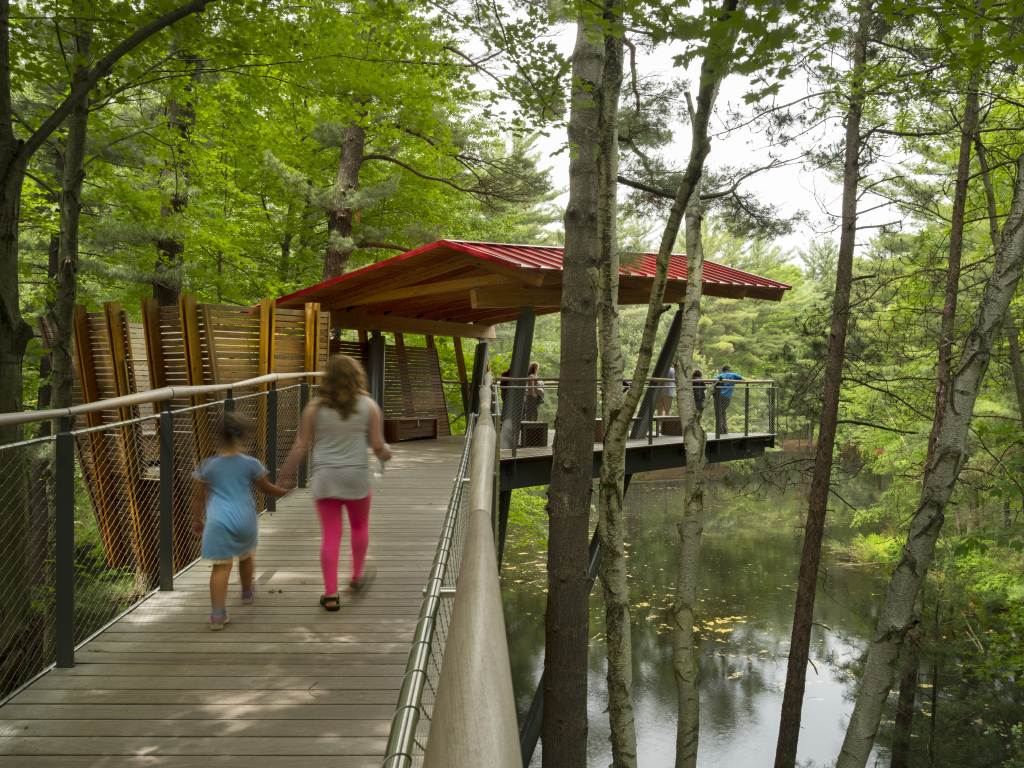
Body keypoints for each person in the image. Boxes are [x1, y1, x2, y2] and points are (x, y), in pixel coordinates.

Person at [281, 355, 393, 612]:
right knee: (360, 526)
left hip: (325, 477)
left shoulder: (314, 408)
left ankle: (331, 594)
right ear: (357, 377)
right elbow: (377, 445)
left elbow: (301, 444)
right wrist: (385, 453)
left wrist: (285, 474)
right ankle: (355, 576)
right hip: (356, 477)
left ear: (328, 378)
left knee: (331, 534)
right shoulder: (369, 406)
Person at [191, 413, 288, 631]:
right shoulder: (251, 464)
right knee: (246, 556)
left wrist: (197, 519)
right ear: (244, 437)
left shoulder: (208, 466)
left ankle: (217, 616)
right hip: (244, 520)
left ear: (217, 438)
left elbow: (197, 497)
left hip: (218, 522)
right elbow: (266, 488)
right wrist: (282, 490)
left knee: (220, 567)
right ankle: (246, 593)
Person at [712, 364, 744, 434]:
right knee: (723, 412)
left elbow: (713, 383)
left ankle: (720, 430)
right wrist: (733, 382)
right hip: (727, 397)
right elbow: (743, 379)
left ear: (722, 370)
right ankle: (724, 429)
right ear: (728, 369)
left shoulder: (718, 376)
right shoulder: (733, 375)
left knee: (719, 413)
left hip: (718, 396)